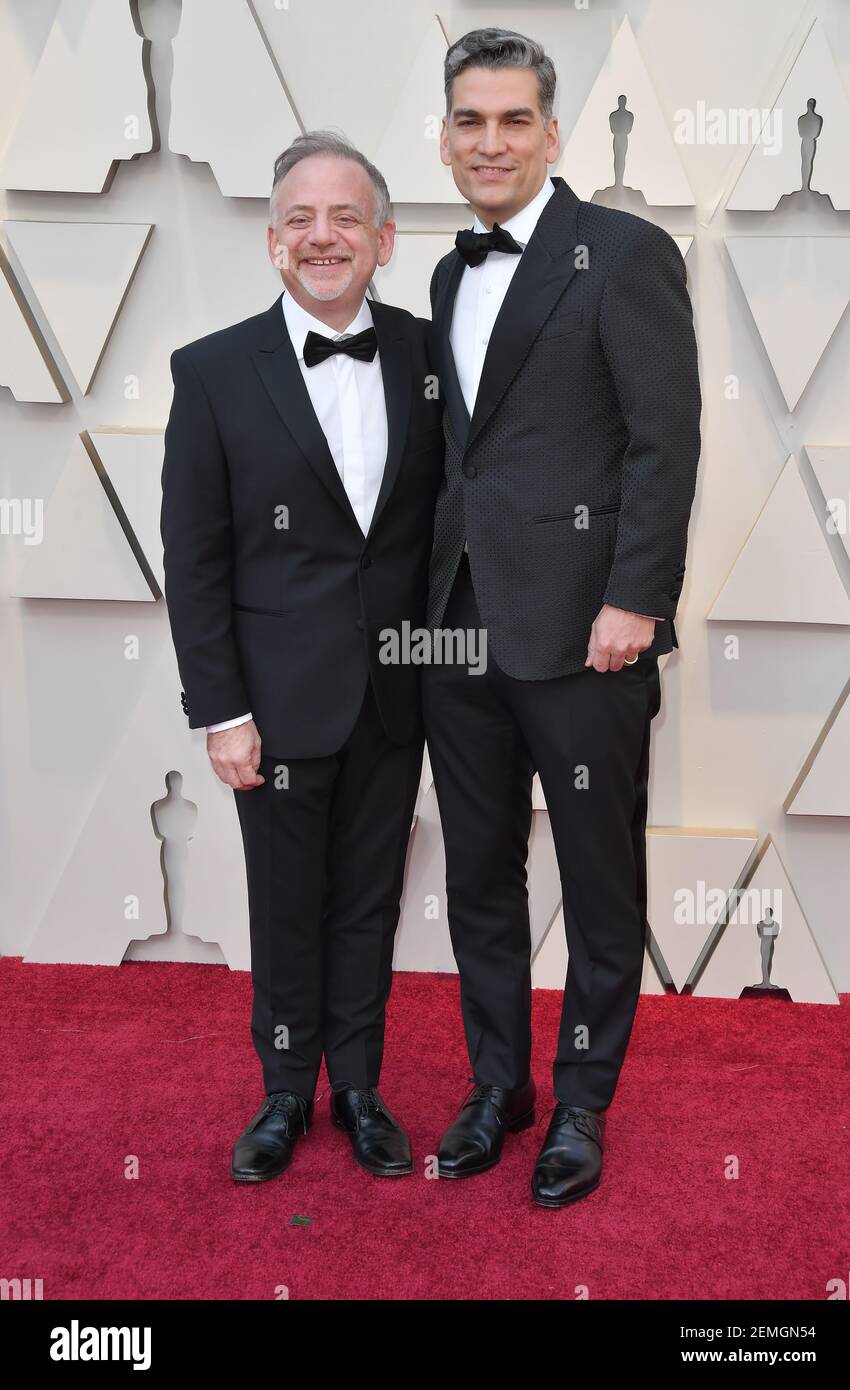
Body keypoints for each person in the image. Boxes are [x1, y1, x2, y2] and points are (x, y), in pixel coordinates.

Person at [423, 28, 701, 1205]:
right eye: (469, 122)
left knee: (596, 877)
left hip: (589, 628)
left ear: (549, 131)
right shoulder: (444, 271)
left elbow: (664, 437)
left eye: (512, 121)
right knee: (479, 870)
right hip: (457, 624)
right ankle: (501, 1085)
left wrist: (633, 596)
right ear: (445, 136)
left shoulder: (623, 253)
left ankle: (580, 1102)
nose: (490, 143)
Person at [160, 132, 443, 1183]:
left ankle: (358, 1086)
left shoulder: (424, 354)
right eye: (300, 219)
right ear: (273, 241)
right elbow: (192, 559)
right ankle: (283, 1094)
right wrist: (220, 710)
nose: (322, 236)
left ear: (383, 237)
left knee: (369, 894)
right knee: (285, 898)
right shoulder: (213, 371)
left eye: (344, 218)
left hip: (396, 692)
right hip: (273, 704)